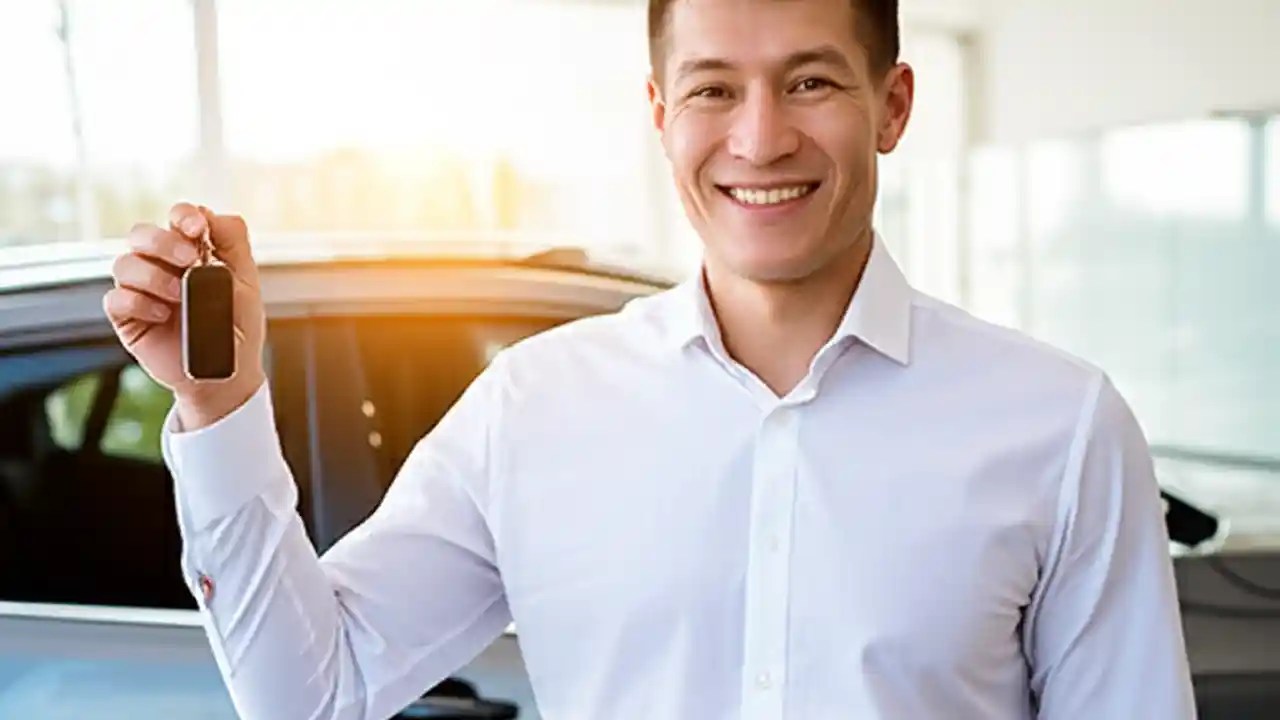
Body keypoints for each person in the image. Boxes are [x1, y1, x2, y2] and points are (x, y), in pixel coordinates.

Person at [104, 0, 1196, 717]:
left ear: (892, 106)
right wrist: (223, 404)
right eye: (714, 88)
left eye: (810, 82)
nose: (759, 138)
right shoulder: (531, 411)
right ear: (659, 113)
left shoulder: (1057, 427)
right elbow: (313, 694)